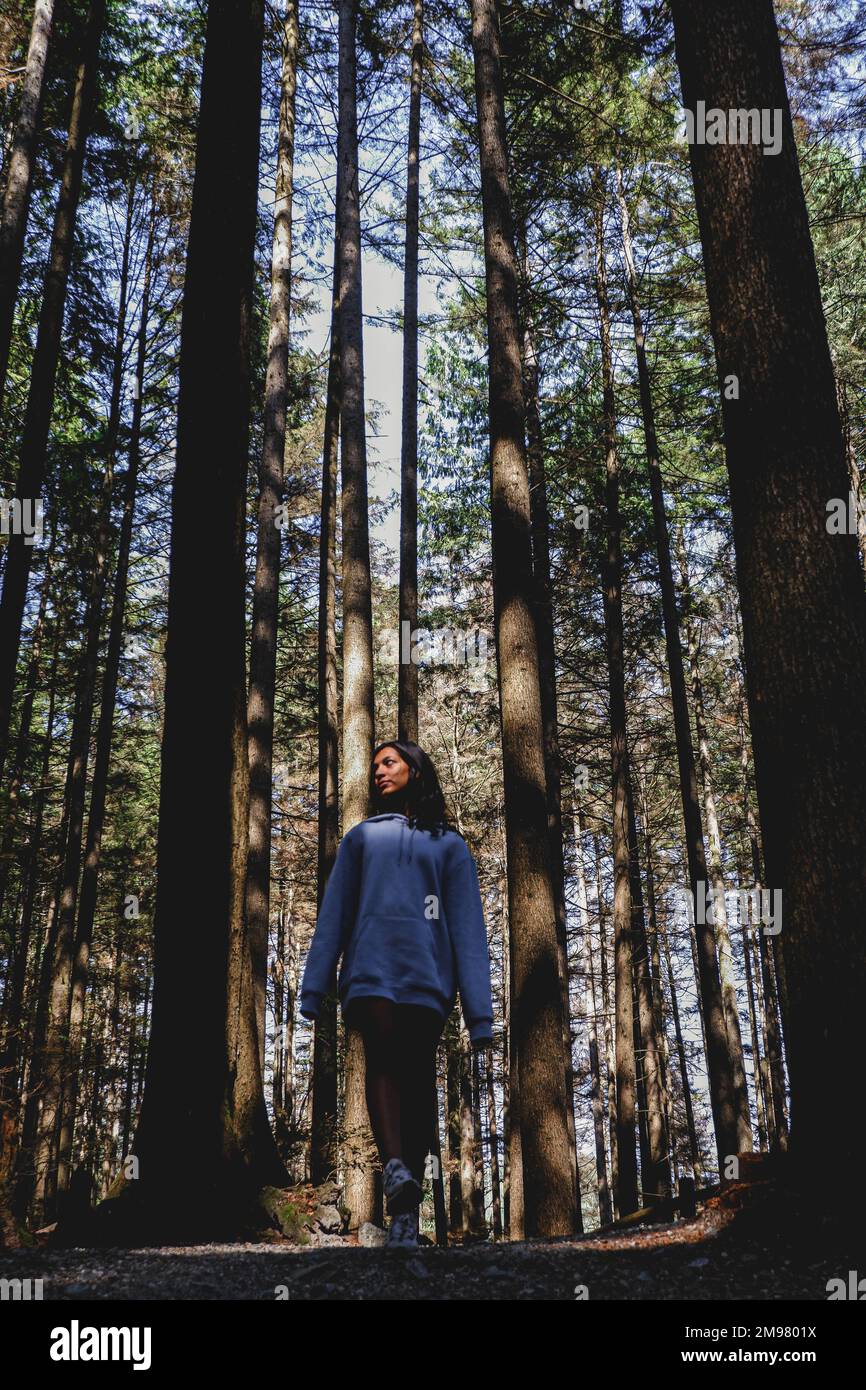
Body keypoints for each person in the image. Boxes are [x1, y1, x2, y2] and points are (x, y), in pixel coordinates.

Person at [299, 739, 494, 1251]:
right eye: (375, 766)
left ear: (416, 771)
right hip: (370, 971)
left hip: (428, 978)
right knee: (384, 1053)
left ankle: (406, 1209)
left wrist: (479, 1015)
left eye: (389, 762)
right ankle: (395, 1169)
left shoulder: (449, 846)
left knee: (417, 1078)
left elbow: (468, 929)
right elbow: (334, 915)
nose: (379, 771)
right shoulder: (361, 839)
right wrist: (314, 986)